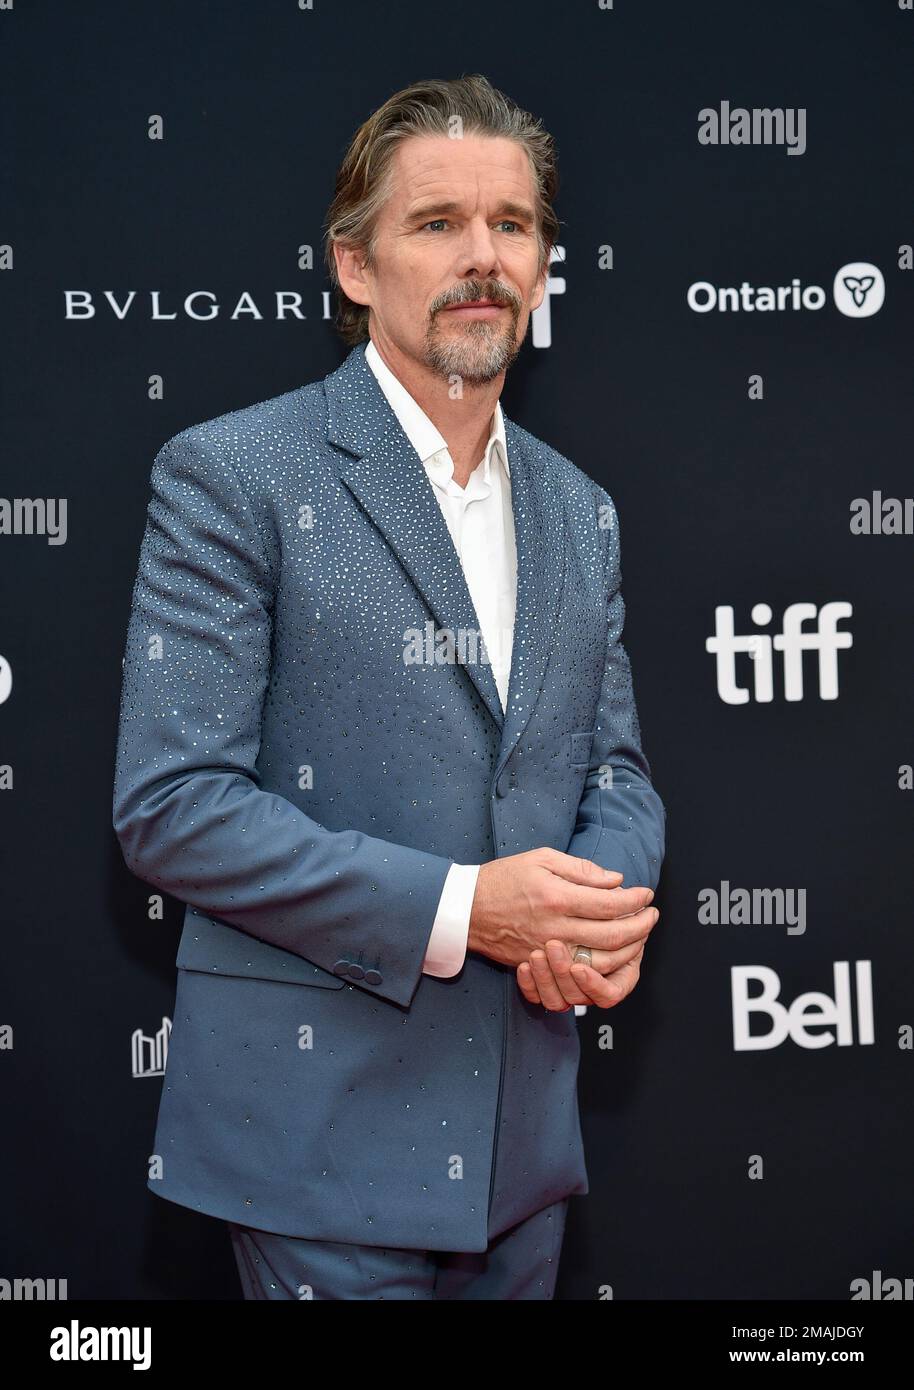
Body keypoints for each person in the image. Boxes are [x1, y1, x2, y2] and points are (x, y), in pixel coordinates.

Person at [112, 73, 665, 1301]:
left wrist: (601, 907)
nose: (483, 259)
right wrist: (472, 909)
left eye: (511, 226)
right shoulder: (234, 473)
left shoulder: (579, 510)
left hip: (524, 1152)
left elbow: (611, 768)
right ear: (353, 269)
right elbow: (174, 804)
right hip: (322, 1144)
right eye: (437, 224)